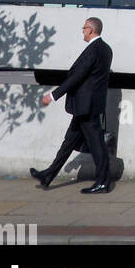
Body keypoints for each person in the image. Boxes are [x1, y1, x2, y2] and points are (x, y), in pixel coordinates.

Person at [30, 17, 114, 194]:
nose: (82, 31)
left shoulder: (94, 50)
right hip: (87, 105)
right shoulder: (106, 49)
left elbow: (77, 77)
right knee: (69, 142)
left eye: (84, 28)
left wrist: (53, 95)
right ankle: (48, 175)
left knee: (96, 144)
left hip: (86, 106)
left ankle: (103, 182)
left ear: (91, 30)